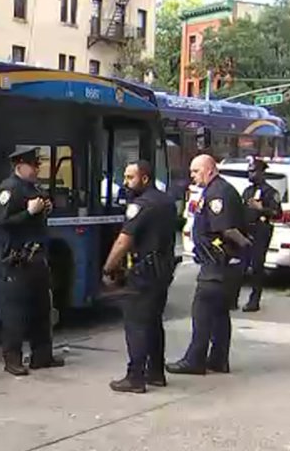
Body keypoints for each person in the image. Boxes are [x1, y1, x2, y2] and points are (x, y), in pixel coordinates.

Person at [168, 154, 251, 375]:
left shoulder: (218, 193)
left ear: (209, 169)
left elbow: (227, 229)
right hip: (223, 263)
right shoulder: (218, 189)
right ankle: (218, 359)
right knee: (219, 313)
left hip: (217, 264)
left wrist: (241, 250)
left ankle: (195, 360)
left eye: (195, 172)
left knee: (202, 311)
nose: (192, 177)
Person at [102, 161, 178, 393]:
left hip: (143, 272)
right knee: (154, 322)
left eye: (130, 177)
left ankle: (135, 377)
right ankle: (156, 373)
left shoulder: (141, 205)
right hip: (163, 270)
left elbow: (124, 240)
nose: (125, 182)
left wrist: (108, 268)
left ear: (144, 178)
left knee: (136, 323)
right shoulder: (167, 201)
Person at [0, 145, 64, 376]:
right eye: (33, 165)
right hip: (18, 260)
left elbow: (40, 216)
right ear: (19, 165)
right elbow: (3, 221)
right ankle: (12, 359)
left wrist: (46, 208)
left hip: (38, 258)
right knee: (16, 311)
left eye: (37, 164)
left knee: (42, 309)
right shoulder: (9, 189)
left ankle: (42, 356)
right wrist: (29, 212)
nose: (36, 169)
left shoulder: (35, 188)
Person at [234, 158, 282, 312]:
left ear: (262, 172)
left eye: (253, 171)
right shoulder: (247, 191)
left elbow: (277, 213)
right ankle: (232, 300)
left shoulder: (270, 192)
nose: (250, 174)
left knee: (256, 267)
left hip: (261, 231)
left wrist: (262, 209)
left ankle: (254, 301)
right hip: (245, 231)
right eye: (249, 171)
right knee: (240, 266)